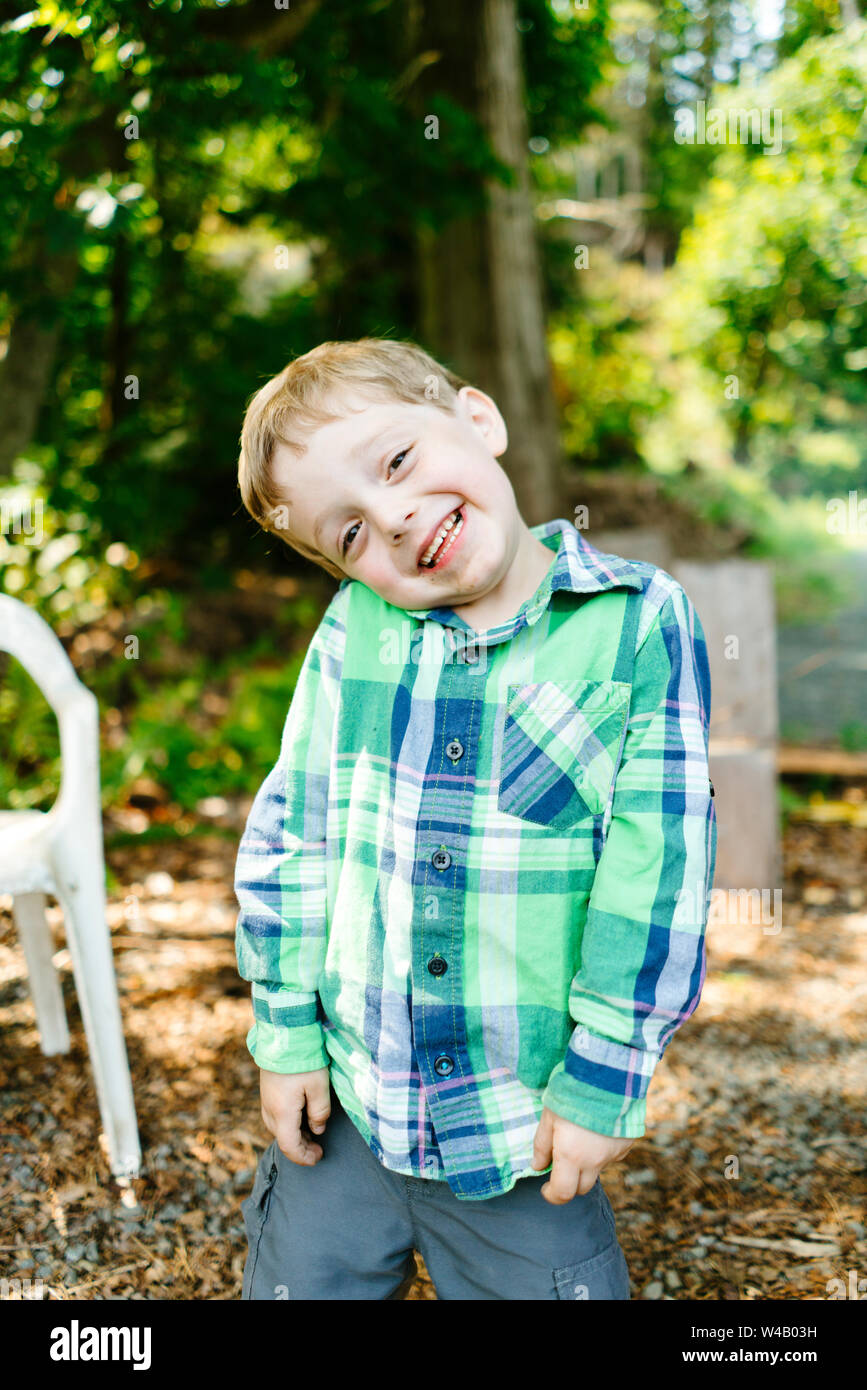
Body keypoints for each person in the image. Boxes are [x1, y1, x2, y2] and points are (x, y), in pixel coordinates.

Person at [233, 336, 717, 1300]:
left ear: (477, 418)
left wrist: (605, 1075)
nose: (397, 518)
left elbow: (654, 873)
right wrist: (284, 1035)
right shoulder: (356, 634)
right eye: (351, 534)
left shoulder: (634, 620)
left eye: (398, 463)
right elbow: (294, 829)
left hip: (519, 1129)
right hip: (352, 1112)